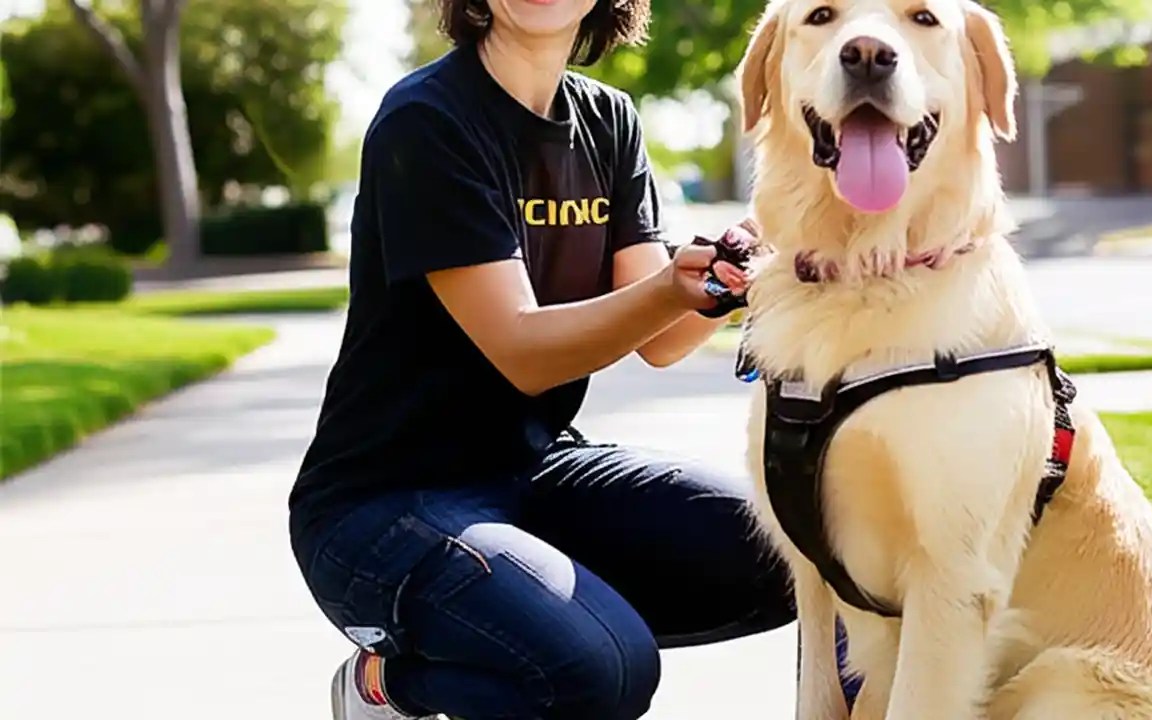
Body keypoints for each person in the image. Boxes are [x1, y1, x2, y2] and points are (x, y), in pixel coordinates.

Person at [286, 0, 858, 718]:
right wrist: (669, 288)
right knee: (602, 670)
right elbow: (522, 351)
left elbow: (660, 339)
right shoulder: (428, 119)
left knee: (800, 547)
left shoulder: (607, 121)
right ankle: (387, 687)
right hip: (381, 506)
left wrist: (724, 280)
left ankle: (539, 623)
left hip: (534, 471)